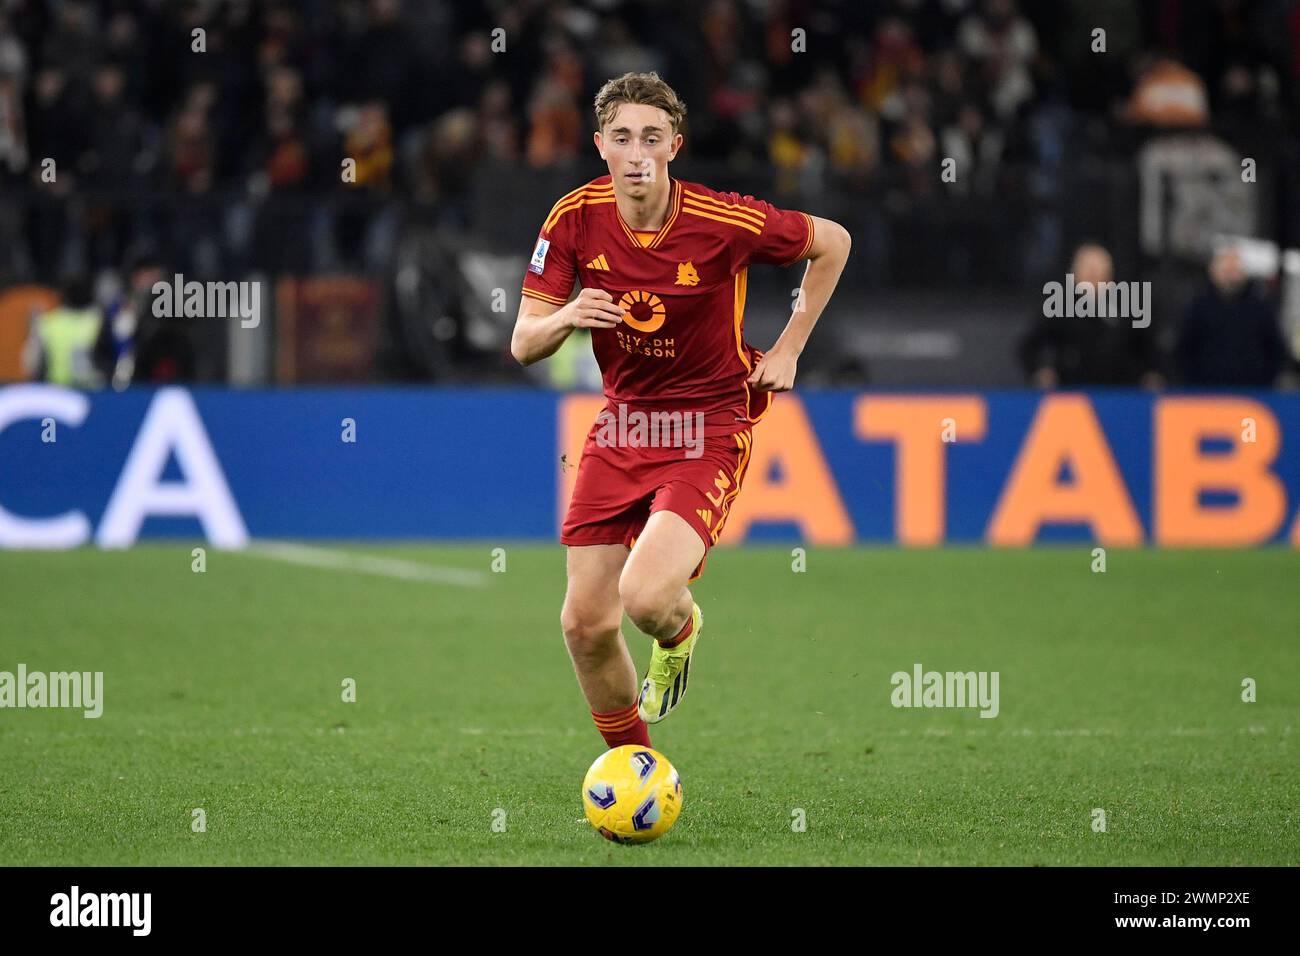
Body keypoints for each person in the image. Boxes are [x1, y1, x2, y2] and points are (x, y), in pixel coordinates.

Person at [510, 72, 851, 750]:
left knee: (643, 599)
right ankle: (634, 767)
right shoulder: (572, 218)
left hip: (708, 425)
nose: (637, 153)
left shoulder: (724, 222)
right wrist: (571, 313)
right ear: (602, 145)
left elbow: (833, 241)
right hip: (623, 424)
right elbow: (523, 343)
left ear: (675, 147)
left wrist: (788, 349)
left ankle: (681, 628)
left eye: (652, 139)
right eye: (624, 138)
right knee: (584, 623)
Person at [1018, 243, 1162, 388]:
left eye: (1098, 269)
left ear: (1109, 273)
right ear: (1074, 273)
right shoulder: (1059, 307)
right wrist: (1042, 371)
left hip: (1122, 394)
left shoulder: (1129, 307)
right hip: (1073, 395)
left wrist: (1152, 374)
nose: (1093, 274)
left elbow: (1152, 350)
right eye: (1087, 268)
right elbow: (1029, 346)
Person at [1175, 247, 1287, 388]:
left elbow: (1276, 349)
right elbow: (1183, 349)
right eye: (1226, 271)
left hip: (1252, 394)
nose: (1231, 277)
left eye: (1235, 271)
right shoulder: (1197, 306)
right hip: (1206, 393)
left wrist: (1266, 382)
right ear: (1213, 272)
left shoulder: (1260, 307)